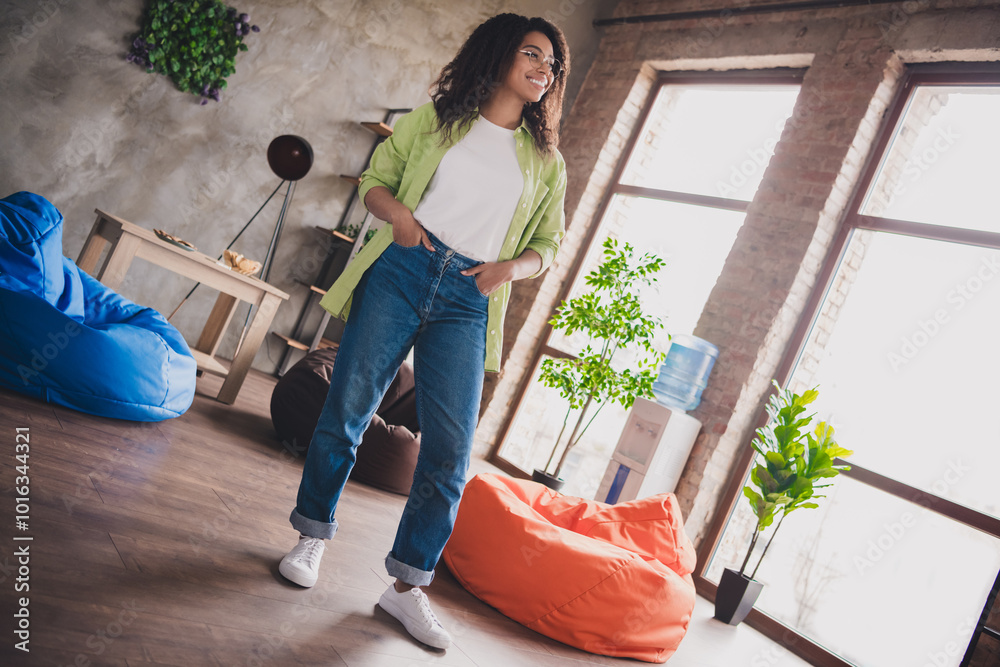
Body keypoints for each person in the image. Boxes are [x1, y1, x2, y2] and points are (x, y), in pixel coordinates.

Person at [277, 13, 570, 650]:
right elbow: (374, 182)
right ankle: (311, 537)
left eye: (551, 64)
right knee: (348, 409)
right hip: (402, 268)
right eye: (532, 54)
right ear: (499, 56)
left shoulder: (545, 162)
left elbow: (551, 242)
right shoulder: (436, 121)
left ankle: (406, 587)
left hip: (472, 296)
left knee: (449, 452)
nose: (544, 70)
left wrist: (507, 270)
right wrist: (403, 221)